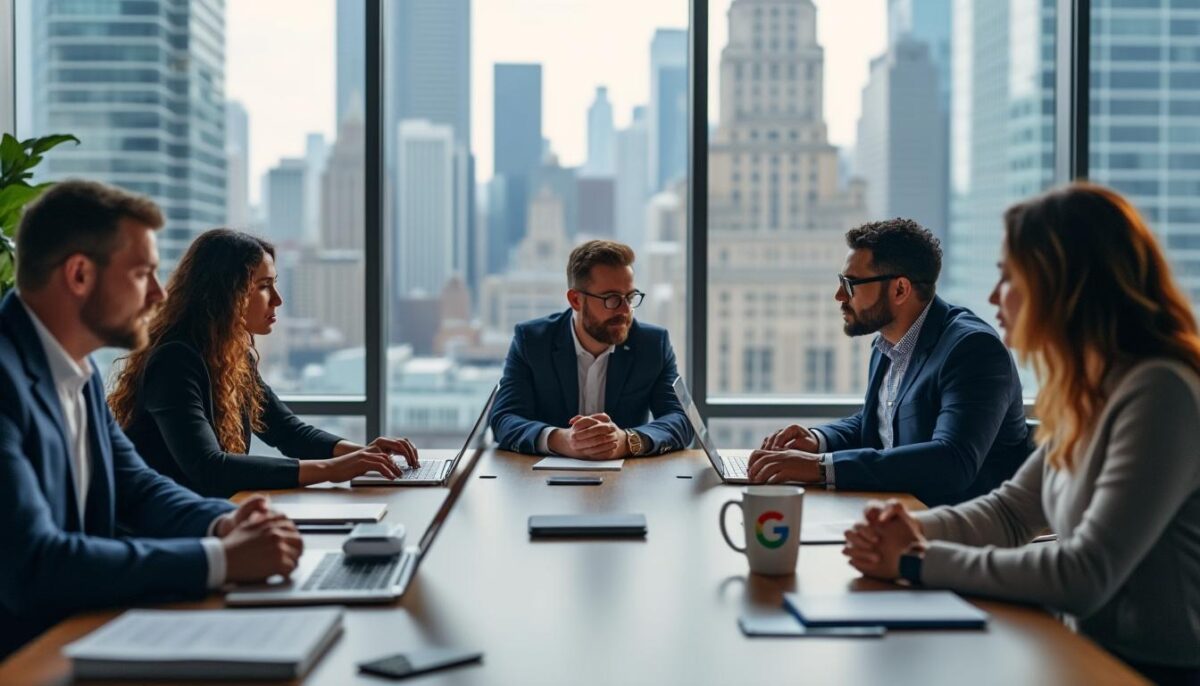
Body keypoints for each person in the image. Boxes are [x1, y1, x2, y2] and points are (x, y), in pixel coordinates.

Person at [842, 184, 1200, 684]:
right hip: (1083, 656)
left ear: (1063, 286)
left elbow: (1084, 575)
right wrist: (908, 528)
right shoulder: (1092, 391)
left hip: (1150, 673)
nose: (994, 297)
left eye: (1009, 277)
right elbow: (1011, 513)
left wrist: (916, 559)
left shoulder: (1160, 392)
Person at [0, 181, 303, 657]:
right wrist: (219, 559)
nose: (159, 293)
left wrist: (227, 522)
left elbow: (138, 488)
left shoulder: (76, 370)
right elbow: (37, 564)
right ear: (79, 275)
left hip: (84, 631)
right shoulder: (6, 379)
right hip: (26, 657)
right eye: (142, 274)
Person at [109, 229, 417, 498]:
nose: (277, 299)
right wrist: (332, 469)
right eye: (264, 286)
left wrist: (367, 455)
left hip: (210, 516)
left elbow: (287, 432)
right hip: (161, 531)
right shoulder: (174, 360)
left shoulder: (232, 357)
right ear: (226, 294)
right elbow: (209, 467)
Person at [747, 219, 1030, 506]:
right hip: (896, 511)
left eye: (850, 284)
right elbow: (879, 421)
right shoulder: (887, 343)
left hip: (958, 524)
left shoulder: (973, 349)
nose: (839, 296)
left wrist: (821, 467)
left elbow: (952, 461)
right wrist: (818, 440)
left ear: (900, 290)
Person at [490, 239, 692, 459]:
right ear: (575, 300)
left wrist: (628, 441)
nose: (625, 310)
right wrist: (562, 440)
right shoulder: (532, 341)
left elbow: (681, 419)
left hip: (627, 476)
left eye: (630, 297)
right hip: (542, 476)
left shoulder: (652, 344)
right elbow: (504, 419)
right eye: (612, 299)